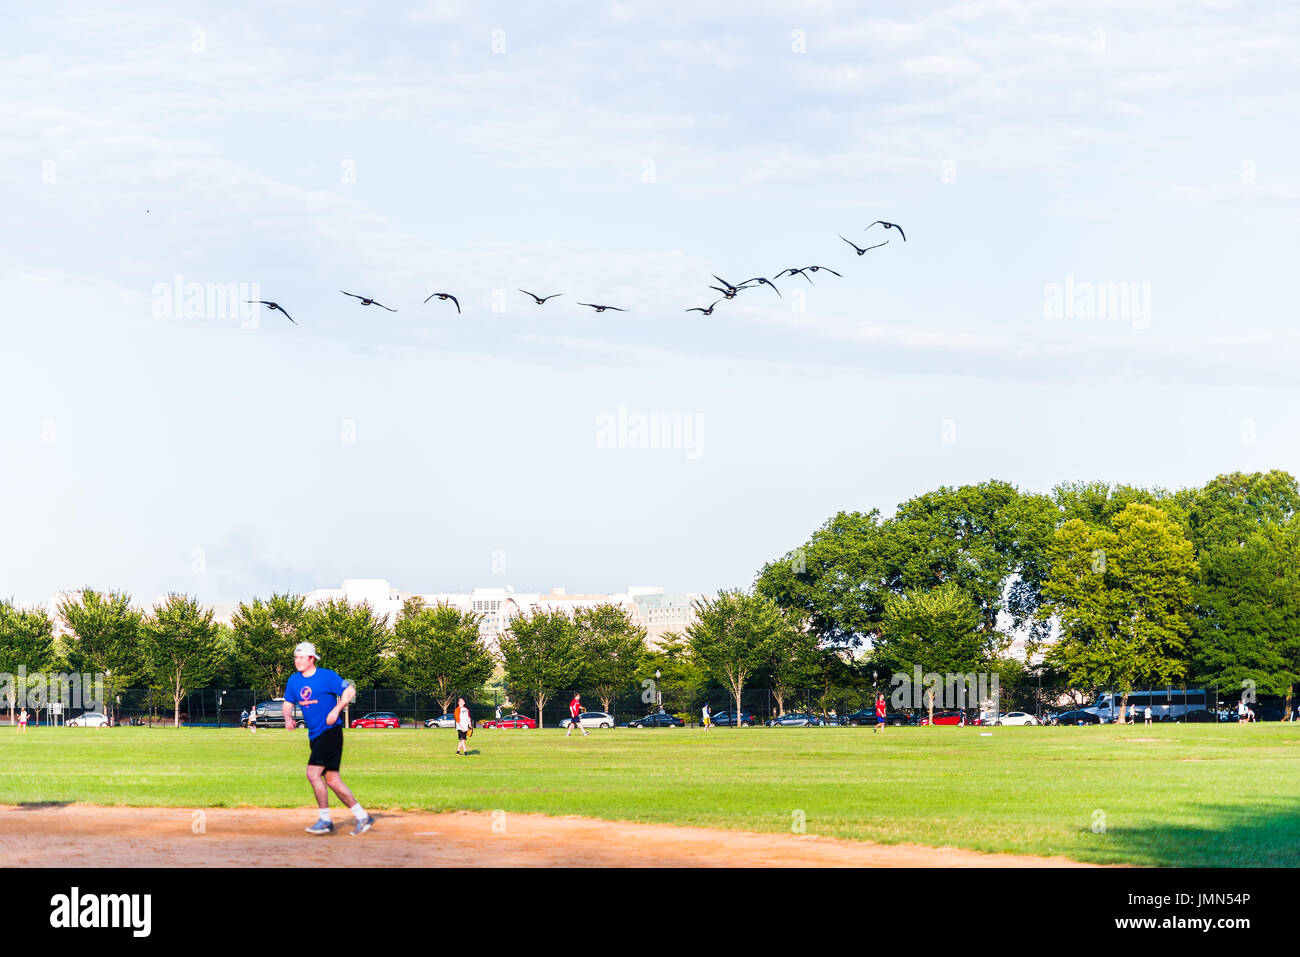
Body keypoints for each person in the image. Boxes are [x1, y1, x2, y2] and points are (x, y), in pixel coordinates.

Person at [283, 642, 374, 836]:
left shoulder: (327, 676)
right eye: (296, 657)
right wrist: (287, 718)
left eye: (301, 657)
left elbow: (350, 691)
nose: (297, 661)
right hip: (315, 735)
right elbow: (287, 703)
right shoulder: (293, 681)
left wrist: (336, 709)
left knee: (313, 774)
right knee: (332, 780)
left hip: (330, 732)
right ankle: (362, 816)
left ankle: (325, 820)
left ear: (311, 659)